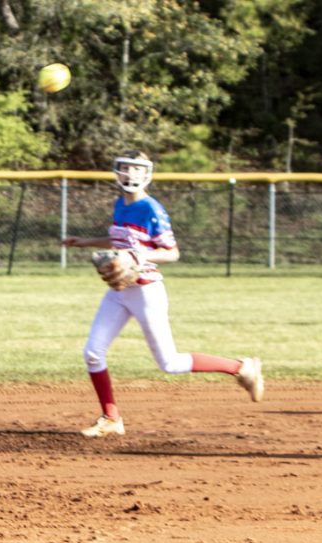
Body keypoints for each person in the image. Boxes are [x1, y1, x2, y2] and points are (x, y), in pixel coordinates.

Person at [61, 151, 264, 438]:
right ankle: (111, 418)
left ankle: (242, 367)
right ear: (117, 172)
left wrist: (138, 255)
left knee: (169, 363)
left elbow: (172, 252)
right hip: (120, 291)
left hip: (146, 291)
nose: (130, 174)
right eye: (125, 168)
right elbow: (121, 240)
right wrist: (84, 242)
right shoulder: (120, 204)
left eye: (136, 169)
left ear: (147, 174)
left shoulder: (151, 209)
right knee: (93, 353)